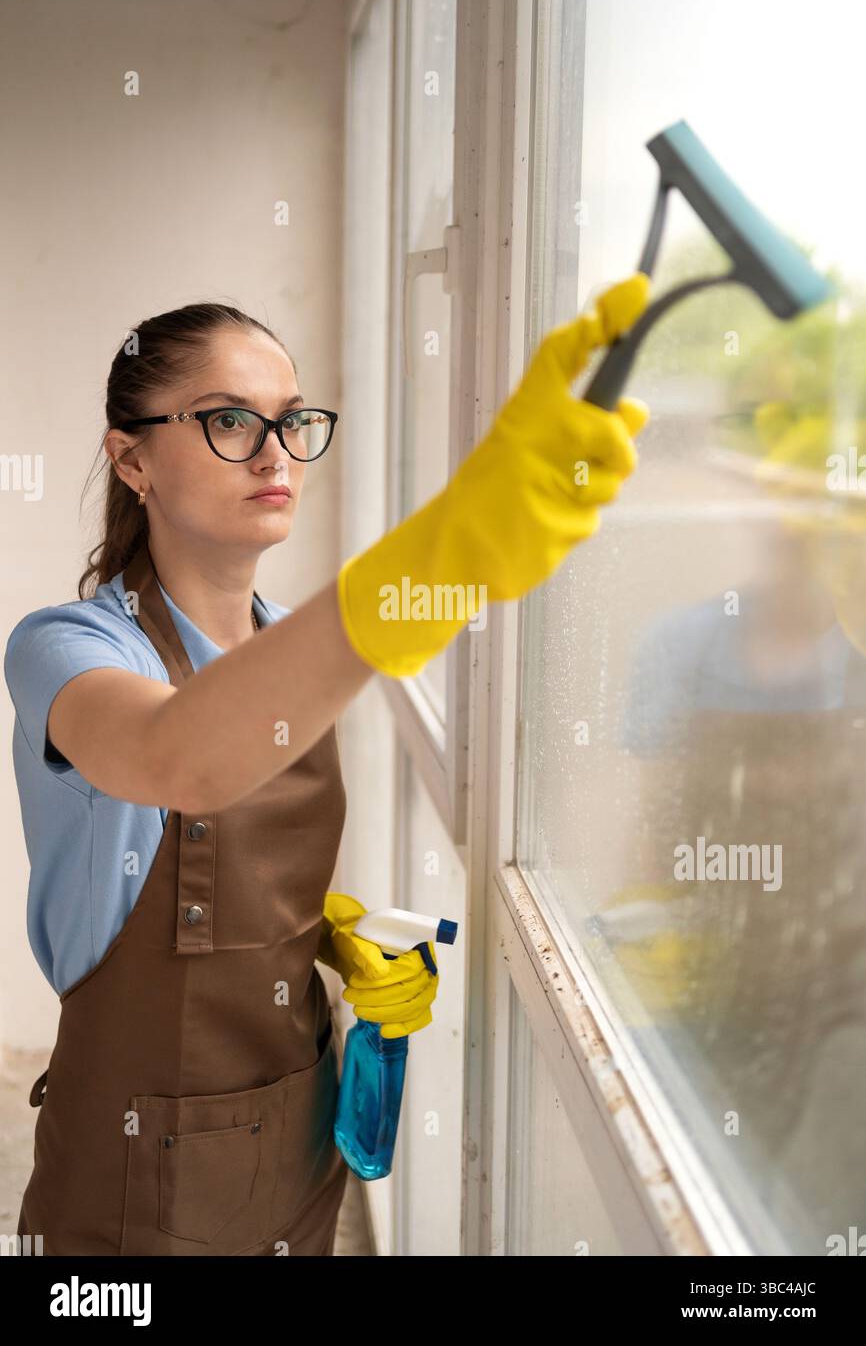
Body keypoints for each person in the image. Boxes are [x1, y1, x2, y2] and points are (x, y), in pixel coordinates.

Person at [3, 274, 650, 1256]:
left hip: (303, 1151)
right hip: (141, 1185)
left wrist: (322, 944)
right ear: (130, 458)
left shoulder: (283, 651)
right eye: (229, 420)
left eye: (292, 420)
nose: (275, 453)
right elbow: (177, 754)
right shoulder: (68, 648)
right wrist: (438, 560)